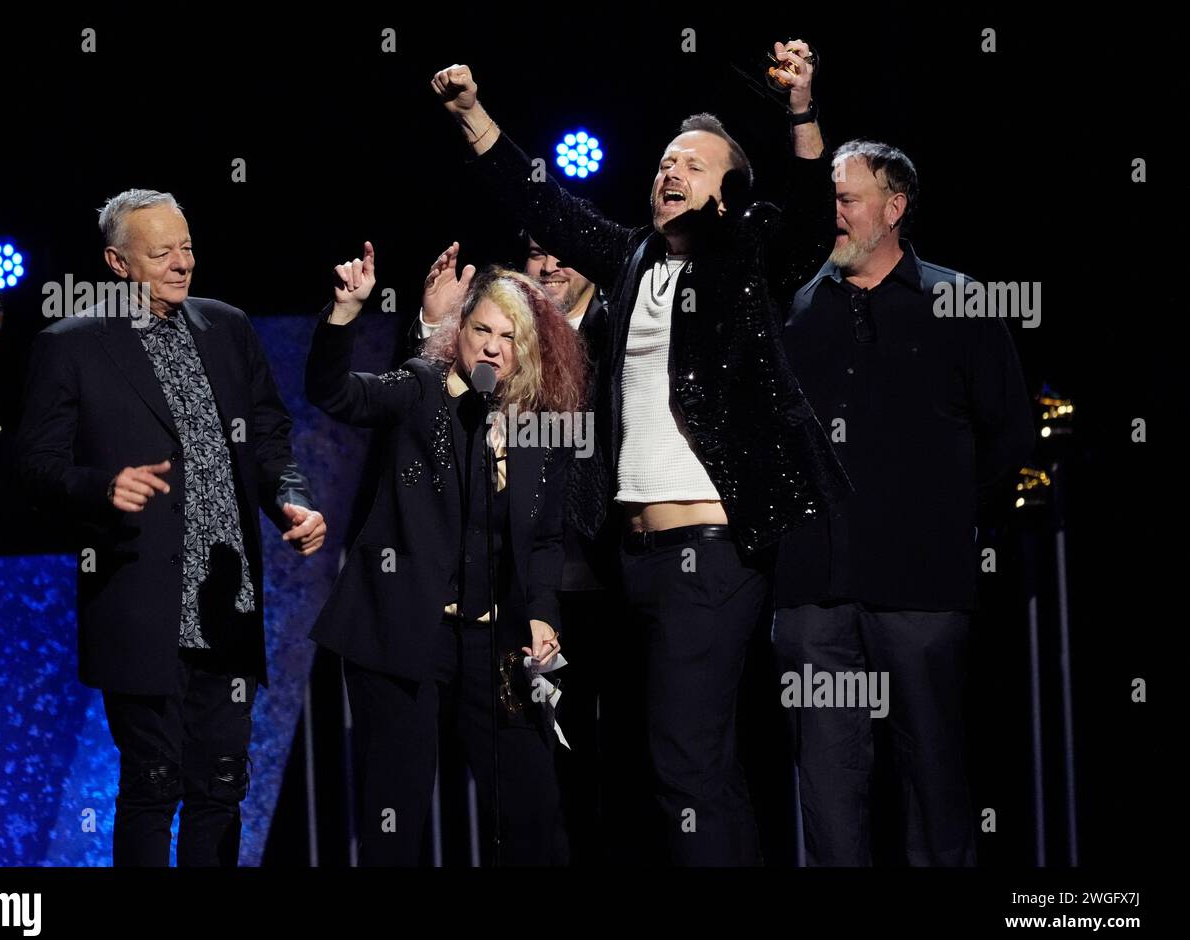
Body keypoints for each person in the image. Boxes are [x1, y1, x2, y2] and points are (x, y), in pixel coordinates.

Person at [430, 41, 850, 865]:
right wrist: (472, 116)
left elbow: (805, 211)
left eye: (692, 164)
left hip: (713, 550)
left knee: (686, 764)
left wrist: (799, 111)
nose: (670, 171)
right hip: (635, 554)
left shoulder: (746, 255)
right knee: (685, 765)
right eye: (664, 161)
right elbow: (543, 203)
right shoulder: (632, 259)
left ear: (728, 194)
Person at [16, 189, 325, 866]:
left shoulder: (228, 328)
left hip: (227, 604)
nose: (181, 263)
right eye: (161, 253)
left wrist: (291, 501)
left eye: (186, 247)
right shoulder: (71, 347)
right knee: (153, 785)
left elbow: (269, 438)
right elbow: (35, 469)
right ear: (118, 263)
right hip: (138, 604)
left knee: (221, 784)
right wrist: (101, 486)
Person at [773, 140, 1035, 865]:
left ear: (894, 209)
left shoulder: (960, 298)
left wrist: (941, 518)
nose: (833, 214)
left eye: (847, 200)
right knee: (827, 789)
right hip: (814, 593)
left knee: (934, 776)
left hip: (922, 589)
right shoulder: (795, 304)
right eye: (829, 198)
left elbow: (1009, 435)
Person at [305, 241, 585, 865]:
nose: (491, 347)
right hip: (404, 634)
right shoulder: (421, 388)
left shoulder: (545, 425)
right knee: (395, 817)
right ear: (460, 331)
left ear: (529, 348)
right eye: (481, 328)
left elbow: (544, 539)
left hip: (493, 642)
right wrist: (345, 313)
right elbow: (338, 394)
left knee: (535, 813)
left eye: (508, 336)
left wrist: (542, 614)